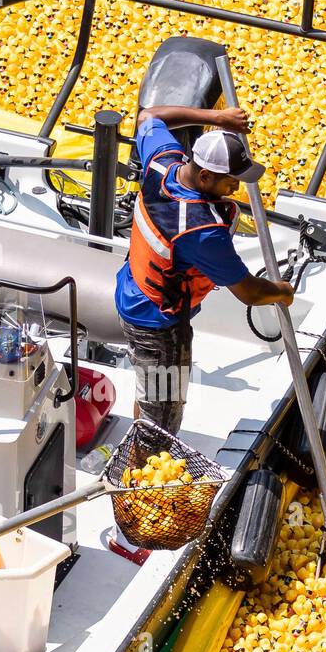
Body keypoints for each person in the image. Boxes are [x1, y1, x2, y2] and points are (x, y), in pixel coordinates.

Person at [115, 104, 295, 436]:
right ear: (205, 176)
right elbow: (250, 293)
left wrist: (216, 119)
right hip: (159, 325)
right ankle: (142, 475)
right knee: (162, 417)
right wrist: (283, 292)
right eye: (231, 182)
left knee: (150, 393)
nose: (236, 190)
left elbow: (148, 117)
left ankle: (143, 426)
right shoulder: (201, 230)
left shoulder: (162, 163)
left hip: (132, 290)